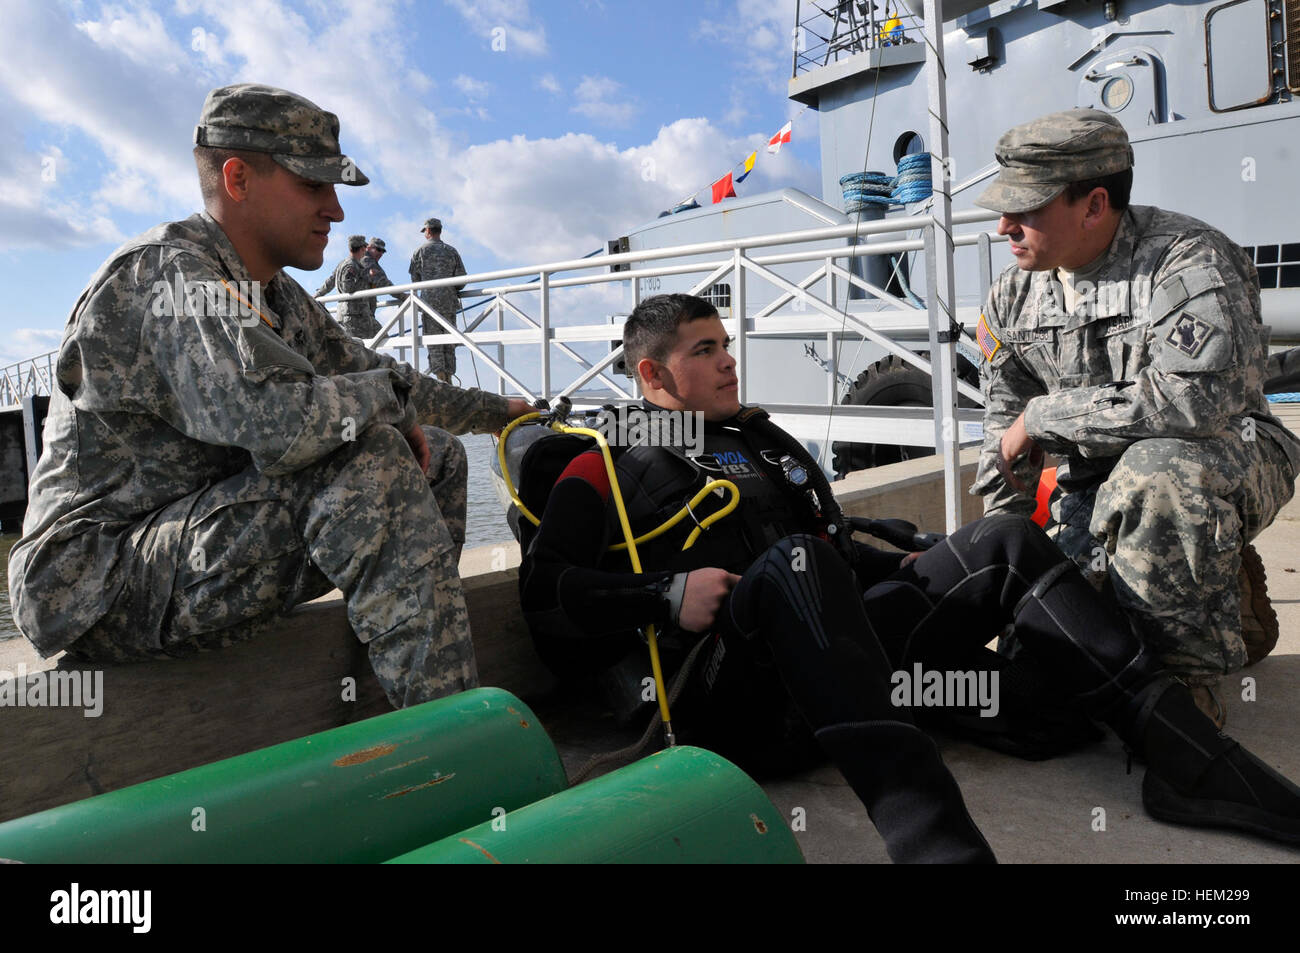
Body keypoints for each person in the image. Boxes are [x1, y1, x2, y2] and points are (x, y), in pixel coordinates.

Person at [519, 293, 1300, 860]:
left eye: (727, 343)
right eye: (704, 350)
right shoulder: (603, 461)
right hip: (734, 704)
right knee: (796, 563)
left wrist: (924, 563)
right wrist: (665, 595)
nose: (728, 359)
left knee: (999, 540)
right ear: (653, 373)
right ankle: (938, 847)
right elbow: (543, 595)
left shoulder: (763, 445)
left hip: (847, 672)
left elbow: (836, 547)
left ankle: (1190, 760)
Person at [7, 83, 529, 710]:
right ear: (238, 178)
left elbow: (377, 373)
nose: (335, 212)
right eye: (314, 187)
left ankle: (390, 702)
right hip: (93, 577)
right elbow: (282, 427)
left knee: (438, 458)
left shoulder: (272, 292)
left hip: (181, 543)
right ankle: (452, 747)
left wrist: (502, 412)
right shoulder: (171, 278)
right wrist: (385, 405)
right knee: (373, 463)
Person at [970, 108, 1300, 725]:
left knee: (1157, 474)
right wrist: (1006, 547)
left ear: (1094, 205)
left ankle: (1180, 690)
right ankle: (1224, 590)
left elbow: (1193, 404)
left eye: (1027, 208)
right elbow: (1002, 427)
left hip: (1226, 456)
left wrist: (1047, 415)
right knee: (1049, 663)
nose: (1003, 226)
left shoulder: (1187, 259)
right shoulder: (1013, 294)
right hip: (1096, 481)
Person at [408, 217, 467, 383]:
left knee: (434, 344)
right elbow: (461, 280)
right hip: (449, 303)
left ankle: (442, 381)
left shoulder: (419, 252)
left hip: (429, 305)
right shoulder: (452, 251)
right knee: (449, 343)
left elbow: (415, 281)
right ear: (439, 231)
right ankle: (450, 381)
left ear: (427, 231)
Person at [315, 234, 380, 339]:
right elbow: (347, 288)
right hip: (355, 316)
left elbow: (330, 282)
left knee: (378, 339)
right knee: (363, 346)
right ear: (361, 248)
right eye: (364, 247)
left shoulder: (344, 263)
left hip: (355, 314)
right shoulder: (351, 266)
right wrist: (368, 277)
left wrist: (318, 294)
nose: (365, 250)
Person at [360, 236, 405, 333]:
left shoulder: (370, 262)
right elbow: (383, 282)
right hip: (361, 314)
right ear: (368, 247)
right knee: (382, 339)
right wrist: (404, 296)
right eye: (378, 249)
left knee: (373, 343)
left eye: (382, 251)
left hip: (365, 312)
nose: (380, 253)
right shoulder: (366, 261)